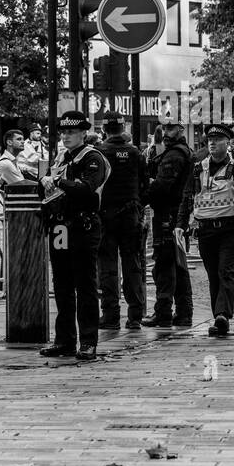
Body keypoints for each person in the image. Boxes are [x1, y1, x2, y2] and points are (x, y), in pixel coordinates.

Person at [39, 111, 110, 360]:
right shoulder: (61, 157)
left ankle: (88, 341)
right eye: (64, 132)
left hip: (83, 225)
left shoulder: (92, 158)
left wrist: (56, 181)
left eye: (71, 132)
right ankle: (64, 340)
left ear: (83, 133)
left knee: (85, 285)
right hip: (59, 227)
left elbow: (86, 190)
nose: (66, 136)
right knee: (62, 286)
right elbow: (49, 189)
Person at [178, 123, 234, 337]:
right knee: (213, 274)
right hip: (206, 230)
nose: (212, 143)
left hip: (230, 229)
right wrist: (180, 224)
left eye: (217, 140)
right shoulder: (198, 167)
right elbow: (187, 197)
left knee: (226, 271)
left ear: (228, 143)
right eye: (210, 140)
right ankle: (219, 315)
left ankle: (222, 315)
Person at [97, 112, 148, 330]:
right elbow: (146, 185)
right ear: (123, 127)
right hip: (131, 216)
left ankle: (110, 316)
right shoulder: (135, 153)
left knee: (107, 267)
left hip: (106, 216)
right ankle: (135, 315)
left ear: (104, 129)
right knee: (132, 265)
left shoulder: (99, 152)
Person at [142, 115, 195, 328]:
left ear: (180, 129)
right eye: (164, 128)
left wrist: (142, 194)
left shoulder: (175, 154)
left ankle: (163, 312)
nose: (166, 132)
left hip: (168, 214)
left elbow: (162, 187)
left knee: (164, 265)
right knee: (177, 265)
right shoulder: (181, 152)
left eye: (171, 128)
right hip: (177, 214)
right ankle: (183, 313)